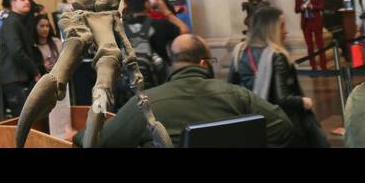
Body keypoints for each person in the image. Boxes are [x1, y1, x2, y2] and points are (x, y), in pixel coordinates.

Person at [81, 34, 293, 148]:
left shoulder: (145, 104)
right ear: (204, 62)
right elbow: (283, 127)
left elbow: (96, 141)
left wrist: (78, 134)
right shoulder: (237, 95)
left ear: (171, 63)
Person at [228, 5, 327, 147]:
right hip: (281, 126)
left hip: (253, 124)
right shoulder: (277, 56)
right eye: (281, 26)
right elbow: (282, 98)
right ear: (270, 29)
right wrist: (303, 102)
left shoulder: (240, 51)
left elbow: (232, 89)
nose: (286, 31)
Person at [0, 0, 41, 116]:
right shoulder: (12, 22)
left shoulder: (19, 22)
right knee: (24, 120)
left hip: (19, 77)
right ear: (13, 4)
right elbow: (16, 52)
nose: (27, 1)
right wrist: (34, 70)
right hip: (15, 79)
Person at [122, 0, 175, 87]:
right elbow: (185, 31)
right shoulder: (161, 24)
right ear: (147, 3)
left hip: (131, 88)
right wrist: (165, 11)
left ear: (127, 5)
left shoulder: (120, 29)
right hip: (159, 85)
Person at [295, 0, 327, 70]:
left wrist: (312, 6)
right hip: (306, 23)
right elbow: (296, 10)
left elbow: (322, 6)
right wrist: (301, 8)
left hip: (315, 21)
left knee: (320, 45)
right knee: (310, 47)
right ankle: (313, 68)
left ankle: (323, 67)